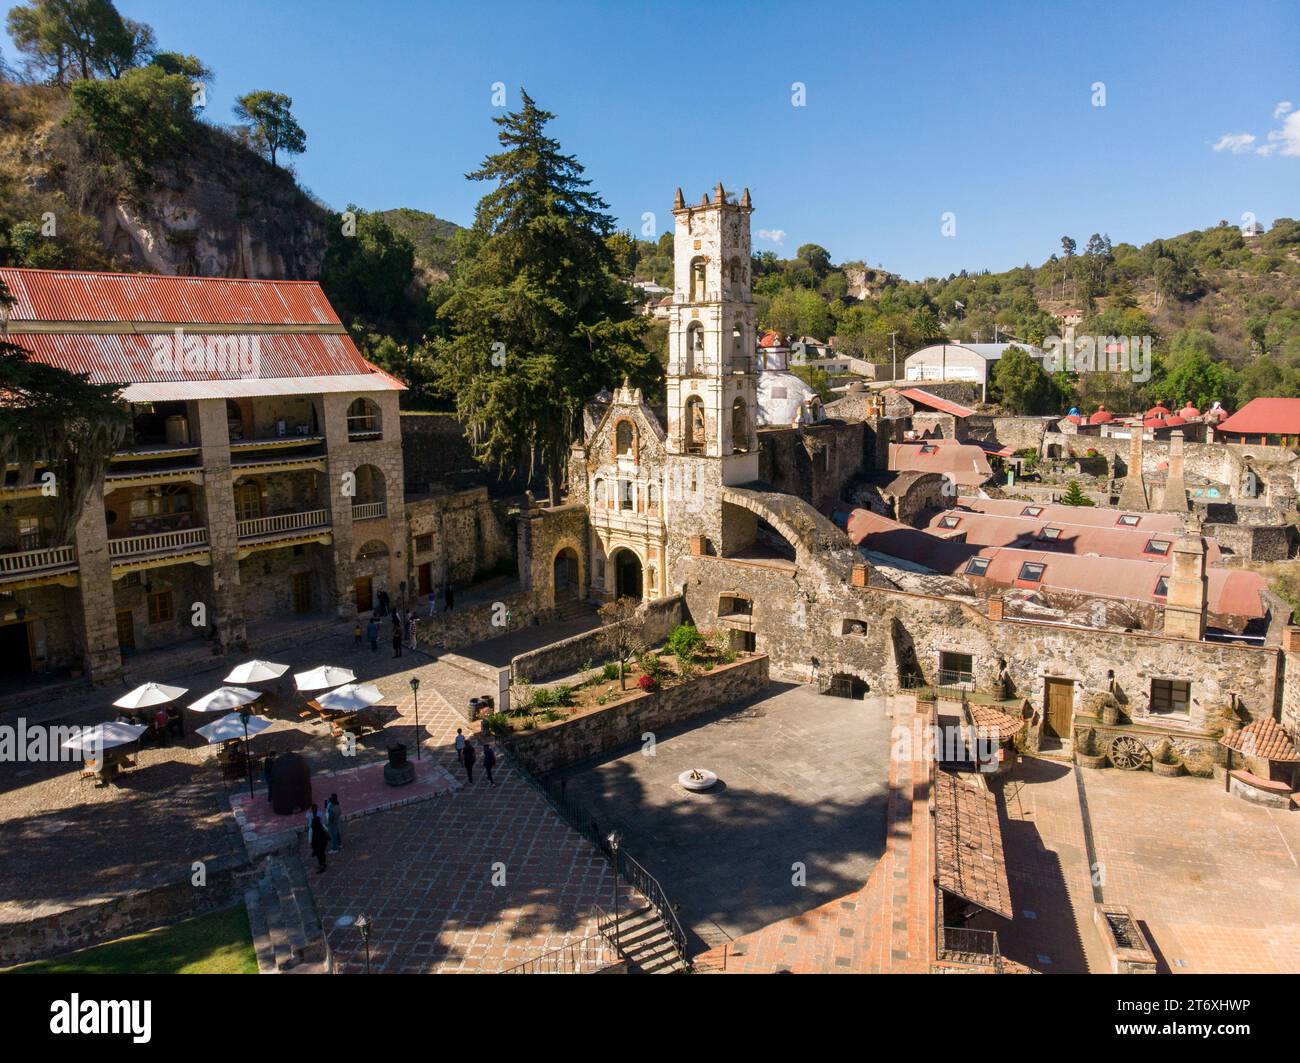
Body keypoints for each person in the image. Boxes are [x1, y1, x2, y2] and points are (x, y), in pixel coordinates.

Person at [309, 805, 329, 873]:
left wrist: (314, 847)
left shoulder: (316, 831)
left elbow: (314, 839)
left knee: (320, 855)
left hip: (319, 845)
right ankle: (323, 864)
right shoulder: (320, 828)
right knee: (322, 854)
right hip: (322, 844)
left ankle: (322, 866)